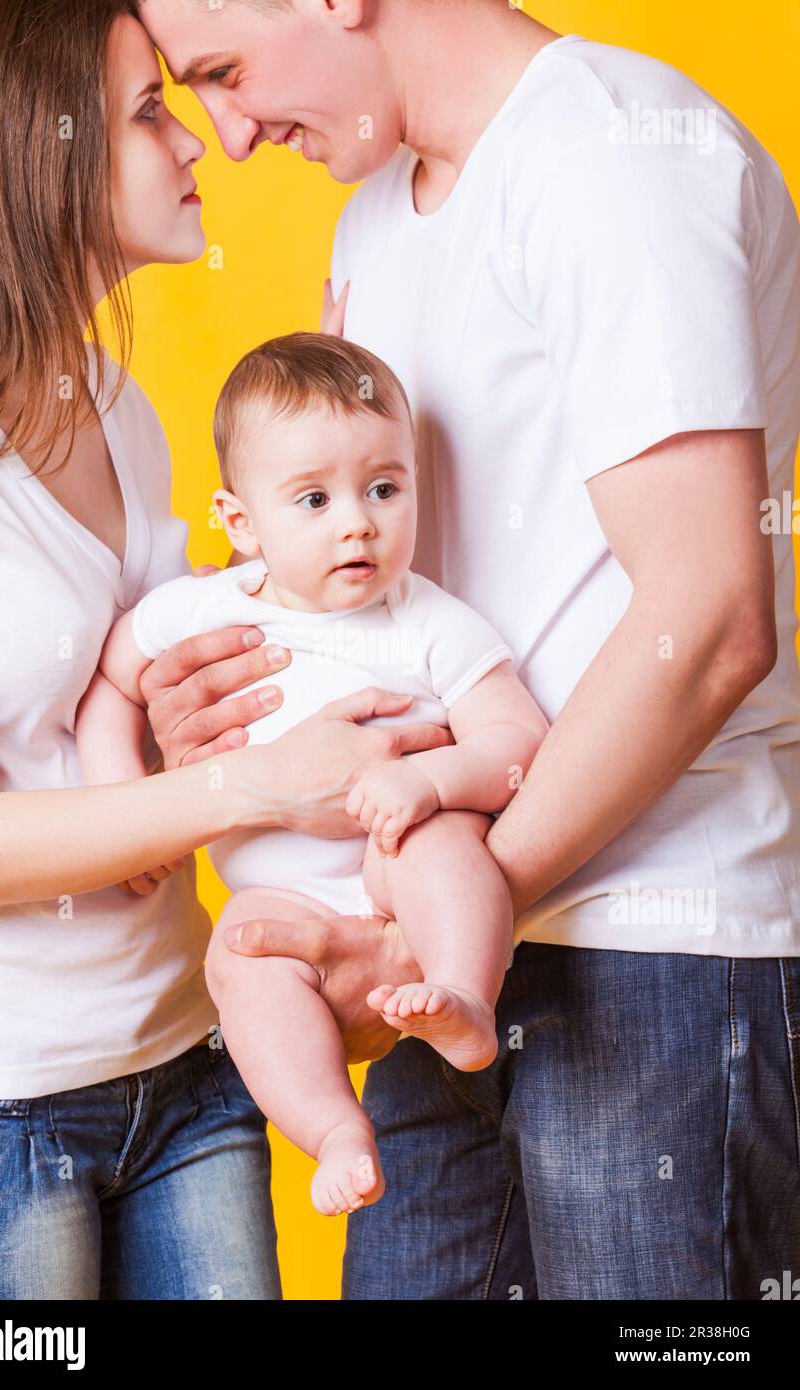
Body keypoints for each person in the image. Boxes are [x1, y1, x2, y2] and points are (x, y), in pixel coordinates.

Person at [135, 0, 800, 1298]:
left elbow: (709, 616)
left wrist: (446, 921)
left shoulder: (609, 156)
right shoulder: (376, 216)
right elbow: (368, 563)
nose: (230, 130)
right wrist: (227, 687)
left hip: (649, 938)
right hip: (446, 946)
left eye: (220, 71)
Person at [0, 0, 450, 1300]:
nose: (199, 141)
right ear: (32, 149)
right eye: (150, 110)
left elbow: (195, 672)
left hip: (185, 1057)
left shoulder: (114, 406)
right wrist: (258, 783)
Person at [75, 330, 548, 1215]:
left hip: (391, 865)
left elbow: (518, 742)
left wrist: (433, 783)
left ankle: (462, 996)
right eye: (315, 500)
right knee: (240, 957)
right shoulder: (198, 608)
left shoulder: (426, 620)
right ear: (240, 521)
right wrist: (128, 801)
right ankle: (333, 1128)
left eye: (383, 488)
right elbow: (112, 681)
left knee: (436, 845)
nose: (357, 522)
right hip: (282, 904)